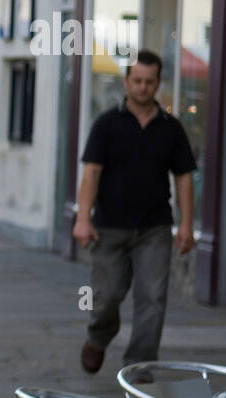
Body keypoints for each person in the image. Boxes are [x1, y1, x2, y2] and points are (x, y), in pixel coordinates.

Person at [73, 50, 196, 377]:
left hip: (154, 228)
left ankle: (139, 368)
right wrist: (83, 218)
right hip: (110, 227)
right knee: (107, 297)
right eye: (137, 81)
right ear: (127, 81)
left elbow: (184, 178)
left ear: (158, 83)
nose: (142, 87)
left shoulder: (171, 128)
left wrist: (186, 225)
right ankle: (97, 339)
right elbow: (91, 174)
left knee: (152, 299)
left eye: (149, 82)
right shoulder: (107, 124)